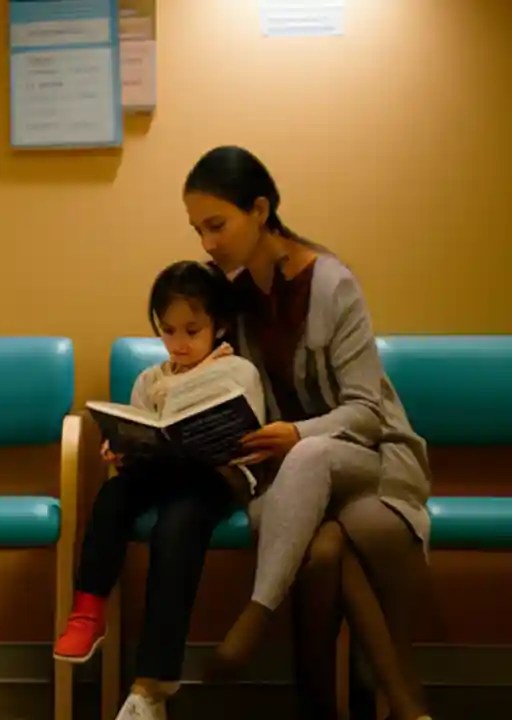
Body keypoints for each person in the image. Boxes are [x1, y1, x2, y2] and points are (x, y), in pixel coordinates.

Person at [183, 145, 433, 720]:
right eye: (198, 230)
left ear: (262, 209)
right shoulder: (235, 299)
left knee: (317, 454)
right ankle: (394, 700)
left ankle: (257, 613)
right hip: (289, 481)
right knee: (324, 552)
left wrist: (297, 433)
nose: (207, 244)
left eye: (217, 225)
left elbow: (368, 413)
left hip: (369, 458)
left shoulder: (331, 285)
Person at [53, 260, 265, 720]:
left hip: (210, 480)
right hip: (157, 475)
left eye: (193, 330)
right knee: (112, 497)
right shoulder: (150, 379)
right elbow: (137, 432)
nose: (180, 343)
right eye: (168, 331)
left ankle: (153, 682)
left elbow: (250, 440)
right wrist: (121, 450)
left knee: (177, 527)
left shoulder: (238, 372)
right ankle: (88, 610)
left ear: (219, 326)